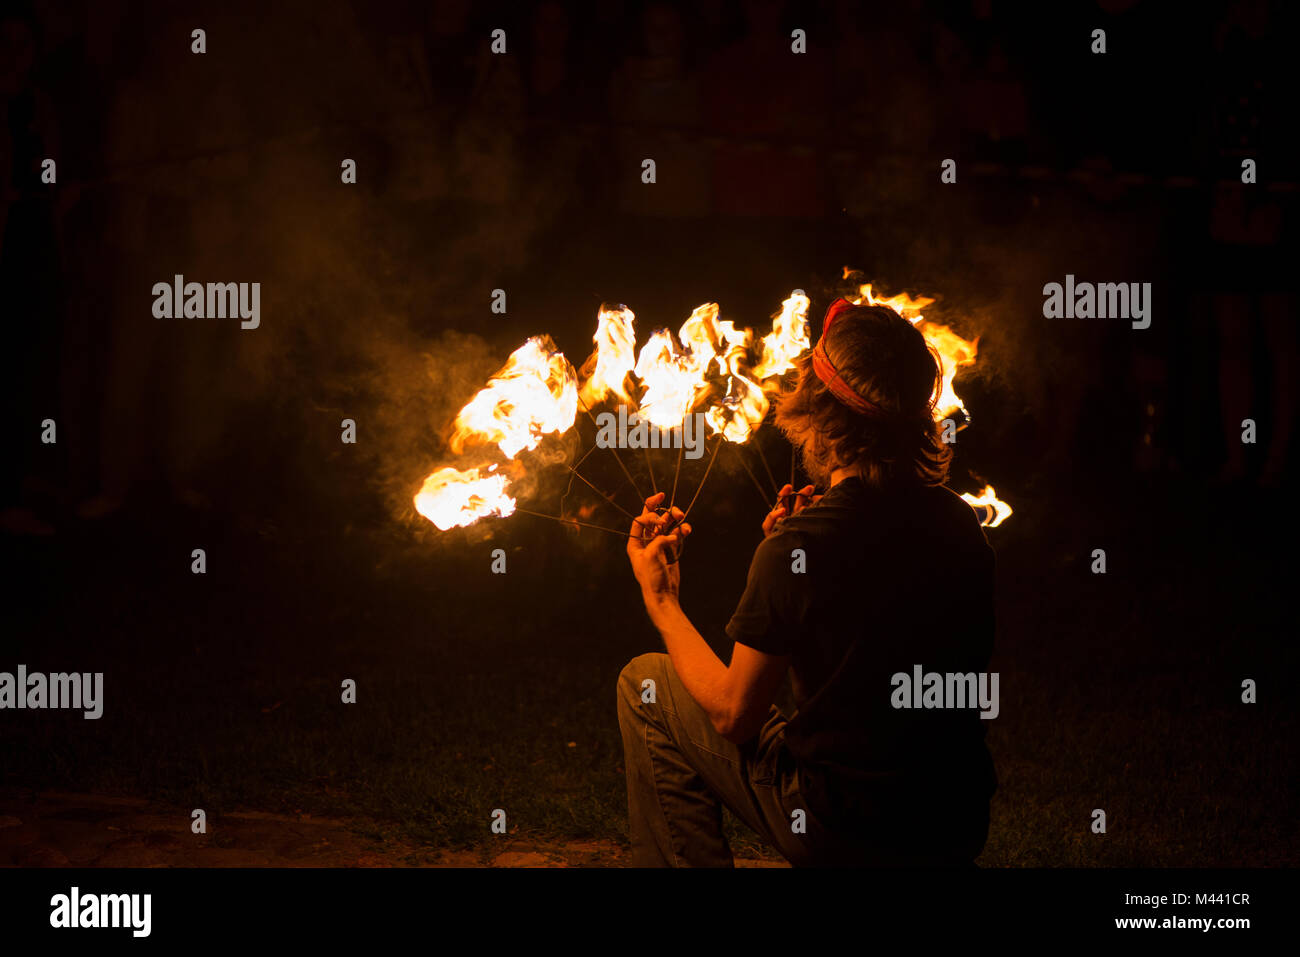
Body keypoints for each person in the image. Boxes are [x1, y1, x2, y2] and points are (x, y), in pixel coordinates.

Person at [618, 297, 997, 867]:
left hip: (846, 829)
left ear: (820, 413)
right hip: (953, 825)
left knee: (644, 684)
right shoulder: (959, 521)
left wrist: (662, 599)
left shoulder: (799, 548)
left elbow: (733, 716)